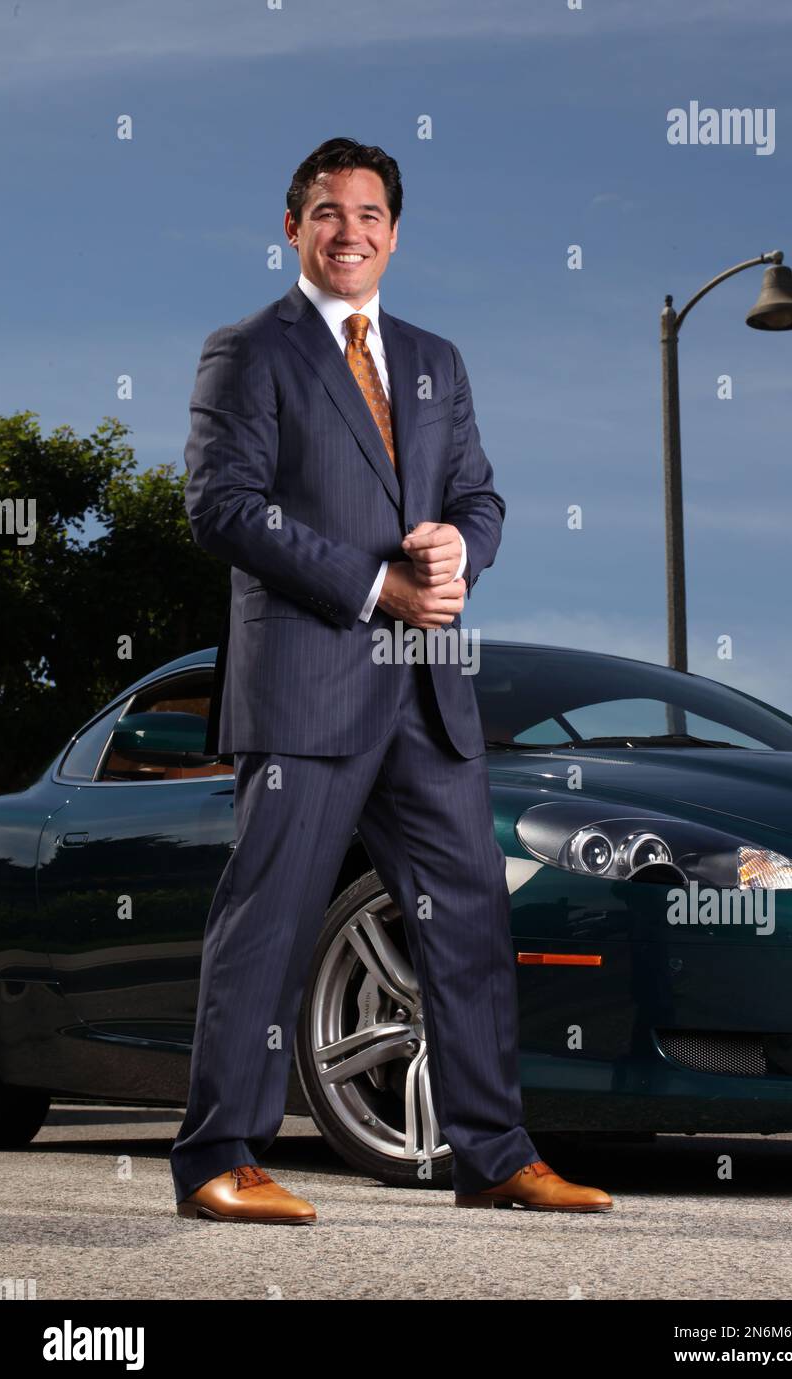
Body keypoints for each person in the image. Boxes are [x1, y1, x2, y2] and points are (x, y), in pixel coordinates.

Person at [170, 136, 613, 1221]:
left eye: (370, 213)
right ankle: (217, 1158)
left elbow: (480, 495)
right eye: (327, 212)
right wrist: (377, 586)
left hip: (428, 688)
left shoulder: (433, 358)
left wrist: (463, 547)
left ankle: (495, 1156)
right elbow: (220, 507)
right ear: (292, 228)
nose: (350, 231)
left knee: (465, 920)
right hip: (308, 687)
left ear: (395, 232)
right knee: (266, 919)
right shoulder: (247, 352)